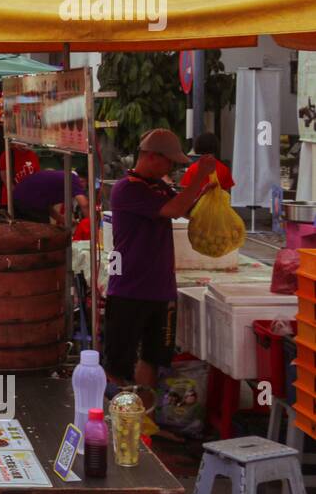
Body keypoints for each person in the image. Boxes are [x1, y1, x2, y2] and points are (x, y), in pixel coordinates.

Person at [105, 129, 217, 395]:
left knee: (153, 359)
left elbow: (186, 211)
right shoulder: (127, 189)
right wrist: (199, 175)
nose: (171, 167)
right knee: (118, 364)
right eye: (169, 161)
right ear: (152, 157)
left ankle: (146, 423)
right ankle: (116, 422)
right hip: (129, 288)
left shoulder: (160, 186)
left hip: (161, 288)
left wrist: (205, 193)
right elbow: (173, 210)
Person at [11, 169, 89, 226]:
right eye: (81, 181)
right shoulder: (72, 178)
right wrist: (91, 224)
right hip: (27, 200)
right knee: (42, 234)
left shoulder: (60, 181)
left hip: (20, 198)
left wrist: (63, 219)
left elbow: (47, 207)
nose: (82, 185)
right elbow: (84, 204)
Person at [0, 141, 40, 207]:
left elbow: (37, 176)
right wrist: (18, 193)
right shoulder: (8, 154)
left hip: (29, 198)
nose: (25, 144)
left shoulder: (33, 155)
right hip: (10, 198)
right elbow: (4, 177)